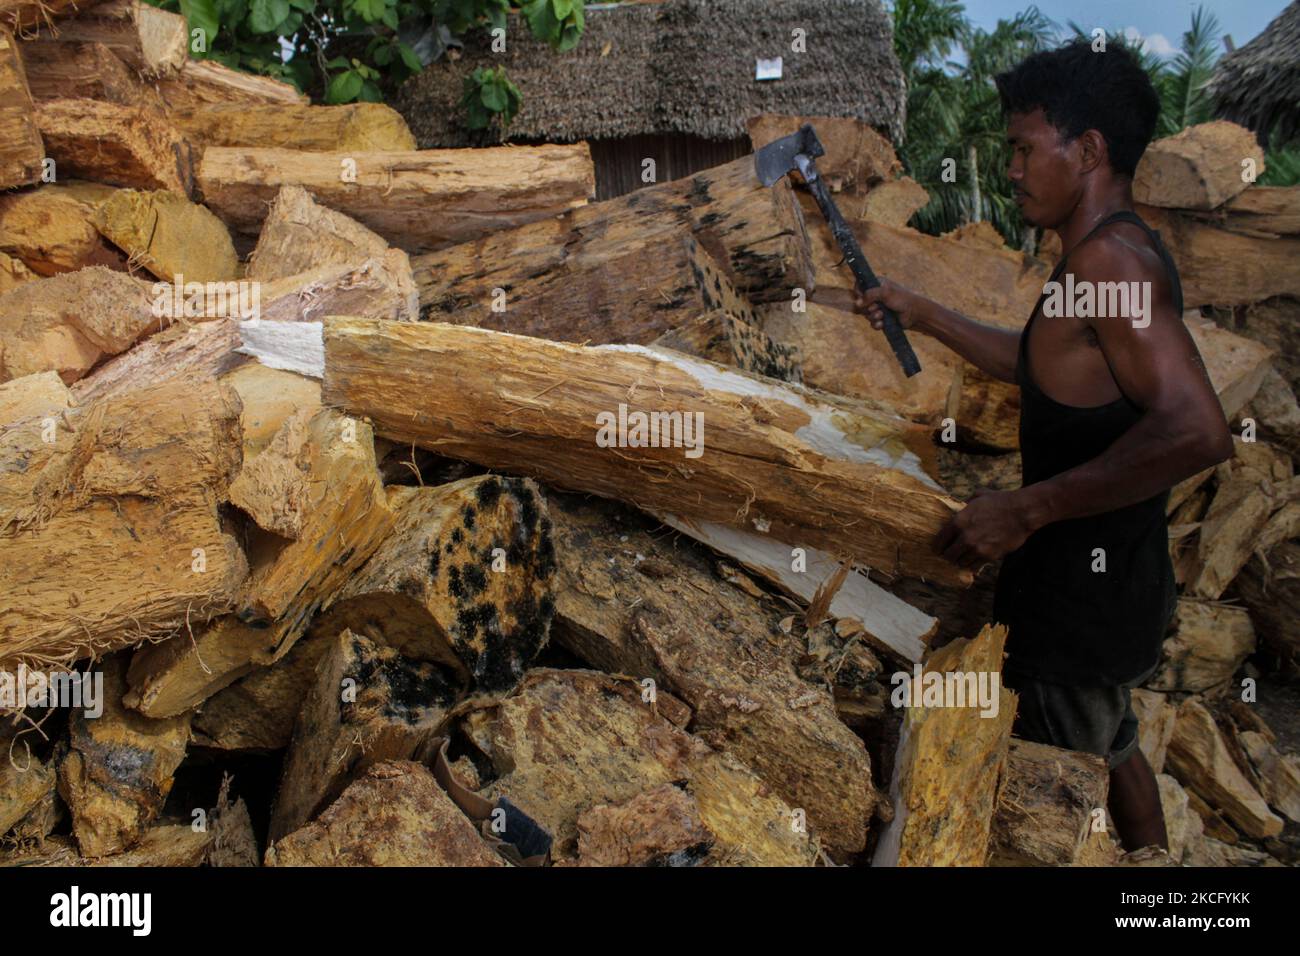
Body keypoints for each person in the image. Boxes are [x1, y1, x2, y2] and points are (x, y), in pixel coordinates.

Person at [854, 40, 1234, 853]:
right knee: (1115, 741)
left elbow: (1198, 428)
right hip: (1104, 587)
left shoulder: (1108, 263)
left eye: (1026, 148)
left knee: (1056, 798)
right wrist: (922, 311)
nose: (1015, 169)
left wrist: (1027, 509)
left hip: (1082, 602)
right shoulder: (1110, 256)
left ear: (1089, 149)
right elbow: (1047, 367)